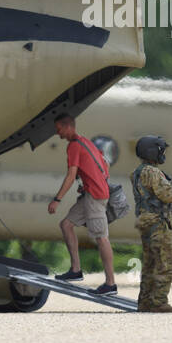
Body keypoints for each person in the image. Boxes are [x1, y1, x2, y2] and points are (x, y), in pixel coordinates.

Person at [47, 114, 117, 295]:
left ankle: (110, 284)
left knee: (101, 238)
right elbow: (105, 164)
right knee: (66, 224)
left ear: (67, 126)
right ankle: (75, 270)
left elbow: (71, 175)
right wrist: (89, 183)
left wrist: (57, 199)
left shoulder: (73, 146)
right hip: (91, 194)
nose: (57, 133)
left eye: (59, 129)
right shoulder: (86, 142)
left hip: (95, 197)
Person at [131, 135, 172, 312]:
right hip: (156, 222)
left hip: (145, 221)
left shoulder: (137, 172)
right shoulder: (152, 172)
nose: (162, 154)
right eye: (160, 150)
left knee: (150, 264)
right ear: (152, 152)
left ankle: (144, 302)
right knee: (166, 264)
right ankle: (159, 302)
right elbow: (167, 196)